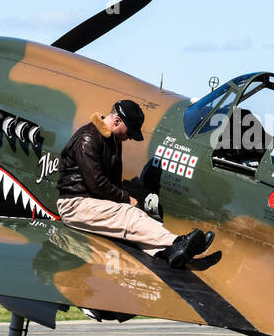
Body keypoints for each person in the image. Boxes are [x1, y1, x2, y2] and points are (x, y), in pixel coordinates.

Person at [56, 100, 214, 268]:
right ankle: (178, 242)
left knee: (136, 227)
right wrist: (125, 198)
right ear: (117, 121)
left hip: (94, 204)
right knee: (129, 214)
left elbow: (112, 181)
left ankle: (173, 253)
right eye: (129, 131)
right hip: (75, 205)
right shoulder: (87, 139)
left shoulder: (114, 141)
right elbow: (96, 183)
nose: (130, 136)